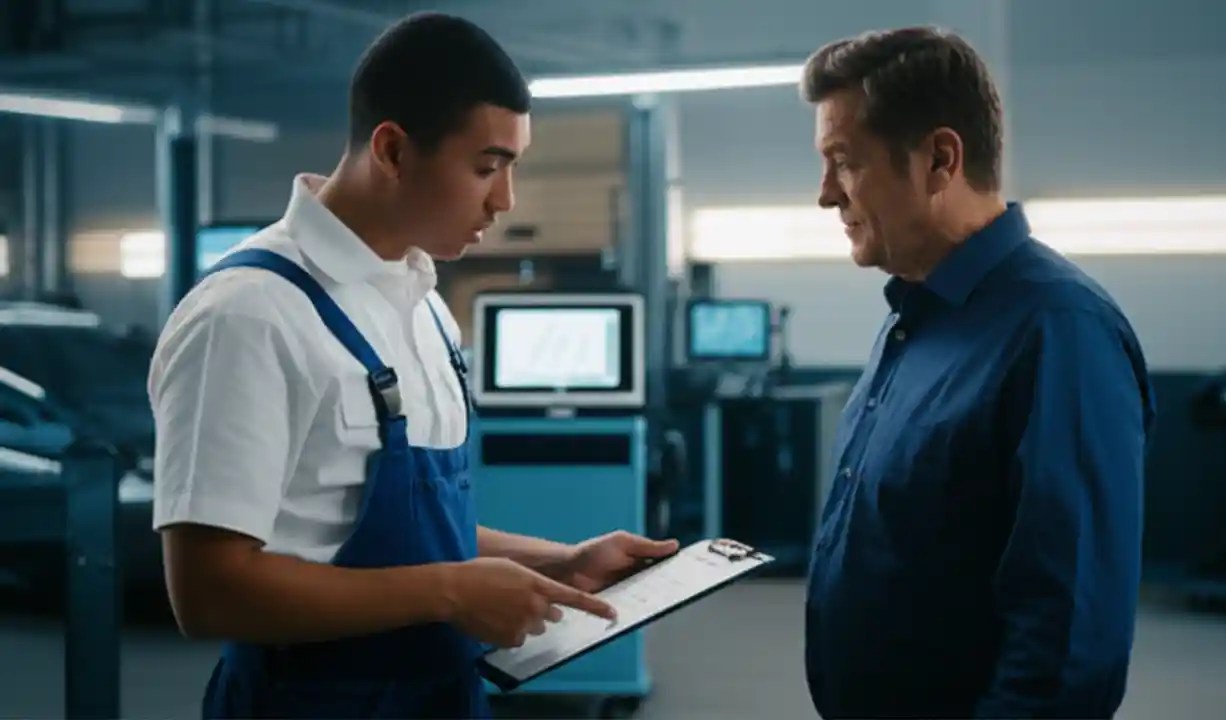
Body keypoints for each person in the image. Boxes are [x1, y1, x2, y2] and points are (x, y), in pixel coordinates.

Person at [147, 13, 676, 719]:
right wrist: (450, 592)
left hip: (442, 697)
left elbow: (385, 527)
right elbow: (208, 592)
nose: (505, 200)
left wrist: (560, 561)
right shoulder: (247, 315)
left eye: (512, 168)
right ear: (393, 151)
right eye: (486, 167)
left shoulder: (425, 305)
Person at [800, 26, 1156, 719]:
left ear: (940, 159)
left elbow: (1068, 647)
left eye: (843, 162)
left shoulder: (1059, 330)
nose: (825, 195)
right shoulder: (916, 316)